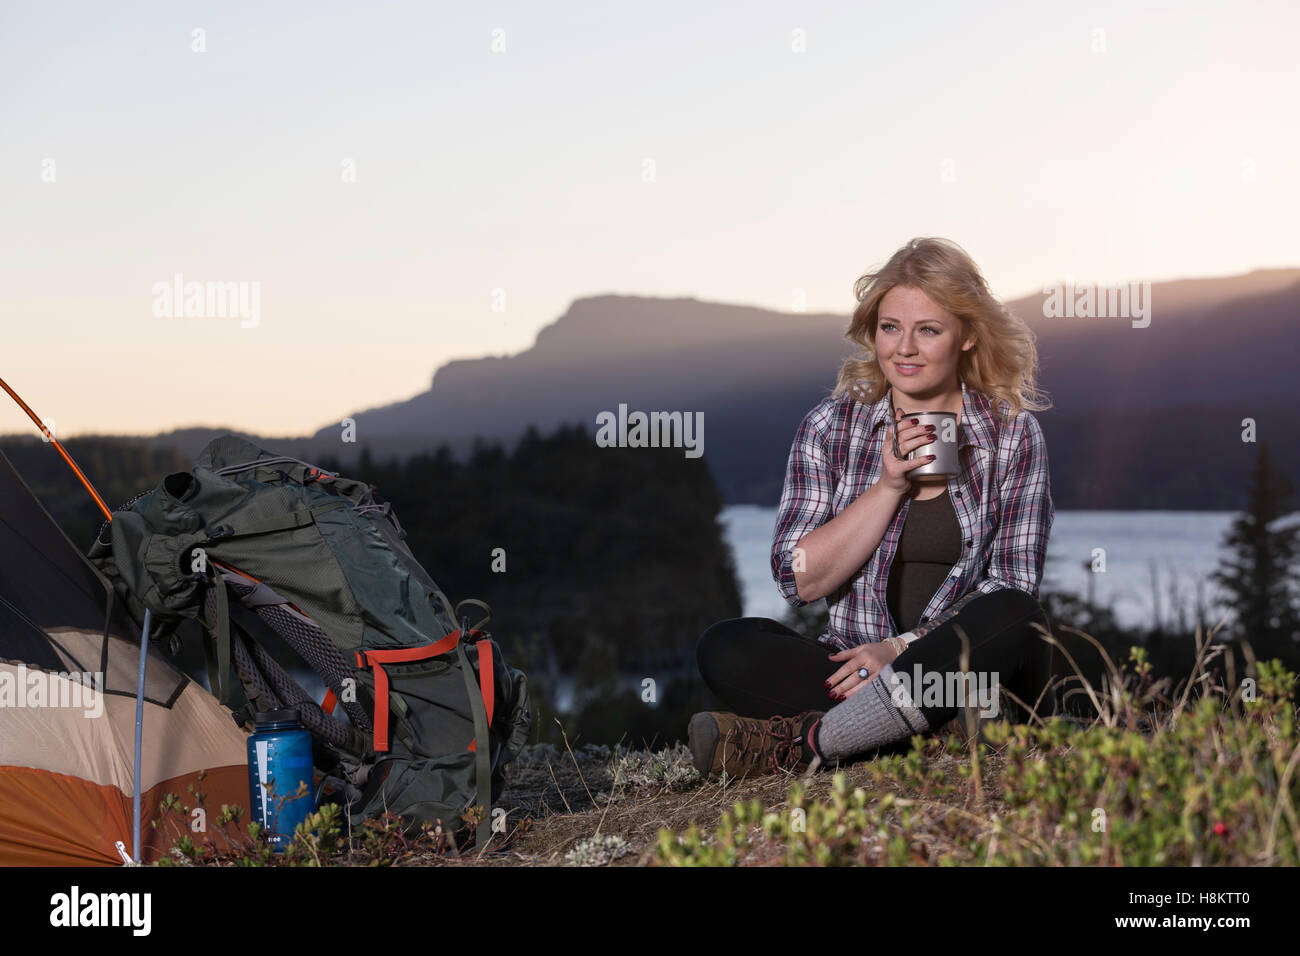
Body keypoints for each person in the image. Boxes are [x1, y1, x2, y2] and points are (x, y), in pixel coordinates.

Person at [688, 237, 1059, 779]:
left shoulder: (1013, 434)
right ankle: (937, 735)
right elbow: (800, 581)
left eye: (927, 329)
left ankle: (815, 738)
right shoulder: (831, 428)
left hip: (969, 672)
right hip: (852, 668)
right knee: (727, 646)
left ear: (968, 335)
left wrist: (899, 651)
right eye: (890, 328)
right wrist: (887, 488)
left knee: (1016, 616)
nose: (903, 349)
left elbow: (1013, 582)